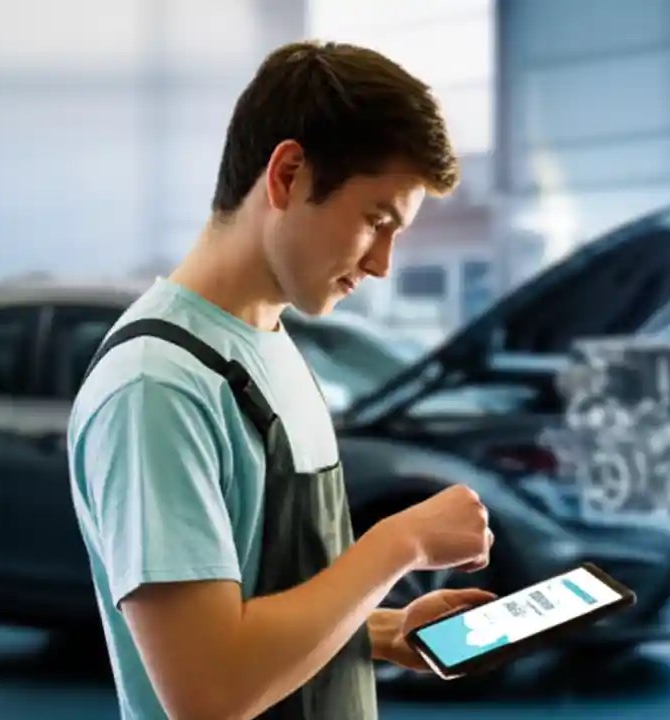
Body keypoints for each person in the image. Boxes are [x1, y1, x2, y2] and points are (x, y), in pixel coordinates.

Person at [67, 40, 495, 720]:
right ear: (289, 173)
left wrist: (381, 628)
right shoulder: (158, 387)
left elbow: (261, 603)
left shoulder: (271, 342)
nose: (384, 263)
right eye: (375, 220)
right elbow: (208, 691)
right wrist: (400, 544)